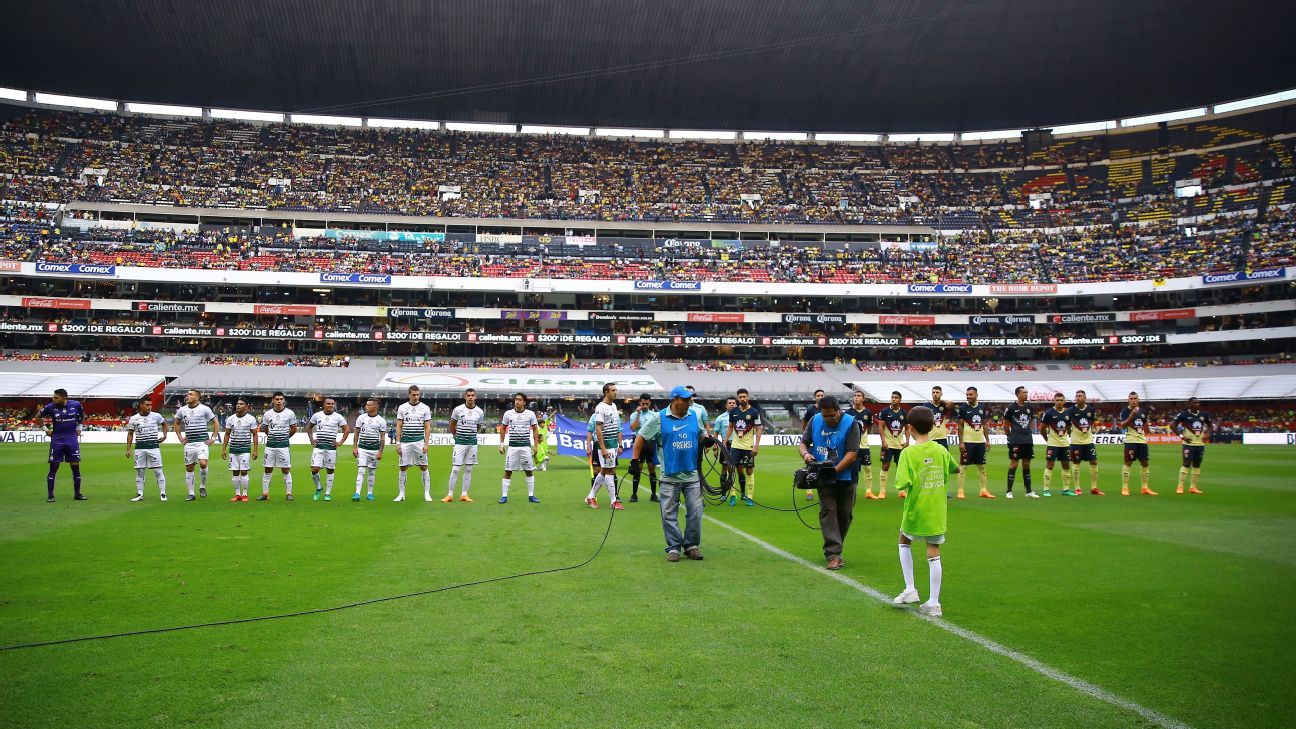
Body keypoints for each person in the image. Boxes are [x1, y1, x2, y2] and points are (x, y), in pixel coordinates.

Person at [890, 406, 959, 618]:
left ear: (909, 428)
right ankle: (934, 602)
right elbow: (954, 468)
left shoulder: (908, 453)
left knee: (904, 540)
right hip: (936, 511)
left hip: (915, 509)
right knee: (933, 551)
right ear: (932, 426)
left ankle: (910, 588)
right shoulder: (941, 450)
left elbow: (901, 483)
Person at [630, 386, 712, 562]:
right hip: (669, 476)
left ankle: (691, 545)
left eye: (690, 399)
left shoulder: (694, 415)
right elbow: (640, 437)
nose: (690, 402)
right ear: (674, 400)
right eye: (685, 399)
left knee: (696, 512)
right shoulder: (658, 418)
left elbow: (700, 432)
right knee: (669, 514)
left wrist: (706, 439)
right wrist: (635, 461)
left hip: (691, 474)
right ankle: (674, 547)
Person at [798, 395, 860, 570]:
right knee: (828, 511)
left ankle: (836, 545)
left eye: (831, 416)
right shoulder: (815, 420)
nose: (828, 419)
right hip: (823, 477)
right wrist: (806, 455)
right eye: (825, 416)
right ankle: (833, 554)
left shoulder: (851, 423)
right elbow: (803, 443)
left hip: (847, 476)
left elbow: (852, 454)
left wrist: (834, 471)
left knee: (845, 514)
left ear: (838, 411)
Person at [39, 388, 85, 502]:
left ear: (64, 398)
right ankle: (50, 495)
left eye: (56, 397)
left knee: (75, 468)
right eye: (53, 397)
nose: (53, 399)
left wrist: (79, 428)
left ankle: (77, 494)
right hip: (57, 440)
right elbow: (38, 416)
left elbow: (81, 416)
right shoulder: (50, 407)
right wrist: (45, 429)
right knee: (54, 467)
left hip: (72, 440)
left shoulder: (76, 405)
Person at [586, 383, 625, 510]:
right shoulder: (600, 407)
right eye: (613, 390)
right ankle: (614, 501)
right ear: (606, 392)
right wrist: (602, 447)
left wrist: (619, 444)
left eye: (616, 390)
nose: (615, 392)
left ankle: (591, 496)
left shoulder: (613, 405)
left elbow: (616, 426)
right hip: (606, 443)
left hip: (613, 443)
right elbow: (598, 428)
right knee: (611, 470)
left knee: (604, 470)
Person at [174, 389, 218, 501]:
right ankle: (191, 493)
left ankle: (202, 486)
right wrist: (180, 438)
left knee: (203, 464)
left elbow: (215, 422)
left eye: (190, 394)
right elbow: (177, 423)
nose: (187, 396)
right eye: (187, 394)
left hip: (202, 442)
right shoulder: (182, 410)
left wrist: (213, 438)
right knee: (189, 467)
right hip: (189, 443)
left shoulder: (204, 409)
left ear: (197, 397)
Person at [498, 392, 540, 504]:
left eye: (520, 399)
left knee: (529, 471)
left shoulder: (530, 414)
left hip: (525, 447)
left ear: (524, 402)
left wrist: (535, 446)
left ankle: (531, 495)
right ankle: (504, 496)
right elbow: (503, 428)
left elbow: (535, 429)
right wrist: (501, 445)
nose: (517, 401)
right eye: (516, 399)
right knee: (508, 471)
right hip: (512, 447)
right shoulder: (508, 414)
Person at [724, 388, 763, 507]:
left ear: (748, 397)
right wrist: (725, 441)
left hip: (748, 447)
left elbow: (758, 428)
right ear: (738, 398)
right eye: (740, 397)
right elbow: (730, 427)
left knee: (749, 470)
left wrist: (756, 445)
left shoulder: (754, 412)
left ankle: (750, 497)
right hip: (735, 446)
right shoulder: (734, 412)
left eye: (744, 396)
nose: (742, 399)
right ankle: (733, 495)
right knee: (731, 469)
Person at [445, 388, 485, 502]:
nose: (471, 397)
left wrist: (471, 434)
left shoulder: (480, 412)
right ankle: (450, 494)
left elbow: (478, 426)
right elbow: (452, 424)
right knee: (456, 469)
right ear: (465, 397)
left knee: (468, 469)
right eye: (468, 395)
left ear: (475, 397)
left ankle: (464, 494)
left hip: (472, 443)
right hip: (460, 443)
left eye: (472, 395)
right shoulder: (458, 410)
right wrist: (455, 435)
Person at [126, 396, 168, 502]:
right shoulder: (133, 419)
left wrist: (165, 435)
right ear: (141, 405)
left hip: (153, 446)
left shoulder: (156, 416)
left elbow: (164, 424)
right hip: (140, 447)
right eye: (147, 405)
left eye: (150, 405)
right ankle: (140, 494)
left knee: (158, 470)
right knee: (140, 471)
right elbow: (130, 434)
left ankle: (163, 494)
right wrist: (128, 449)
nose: (149, 407)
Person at [394, 385, 432, 502]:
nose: (416, 397)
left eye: (417, 395)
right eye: (413, 395)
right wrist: (398, 442)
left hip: (419, 441)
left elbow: (427, 427)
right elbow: (399, 426)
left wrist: (426, 443)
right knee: (403, 467)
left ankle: (426, 493)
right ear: (409, 394)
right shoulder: (402, 407)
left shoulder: (425, 408)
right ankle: (401, 494)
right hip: (405, 442)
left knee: (424, 466)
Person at [308, 397, 350, 501]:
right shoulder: (317, 415)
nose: (331, 405)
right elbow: (309, 427)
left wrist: (340, 442)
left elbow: (347, 429)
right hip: (318, 447)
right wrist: (312, 440)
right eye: (328, 404)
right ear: (324, 404)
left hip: (331, 448)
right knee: (314, 469)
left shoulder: (338, 417)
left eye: (332, 404)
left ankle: (327, 493)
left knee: (330, 470)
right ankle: (318, 488)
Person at [259, 392, 297, 501]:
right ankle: (265, 494)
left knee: (285, 469)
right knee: (267, 469)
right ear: (273, 400)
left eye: (281, 399)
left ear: (284, 400)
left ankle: (289, 493)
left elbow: (293, 428)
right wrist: (272, 437)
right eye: (277, 399)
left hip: (283, 446)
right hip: (270, 445)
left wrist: (284, 438)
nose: (279, 401)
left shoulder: (290, 413)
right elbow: (265, 428)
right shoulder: (267, 414)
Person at [957, 386, 994, 499]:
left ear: (976, 395)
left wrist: (987, 440)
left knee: (982, 467)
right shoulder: (963, 408)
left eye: (971, 395)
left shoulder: (982, 407)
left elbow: (984, 425)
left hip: (980, 442)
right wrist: (961, 442)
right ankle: (960, 491)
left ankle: (983, 490)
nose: (968, 397)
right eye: (967, 395)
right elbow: (960, 426)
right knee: (963, 467)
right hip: (968, 442)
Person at [1065, 390, 1104, 495]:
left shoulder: (1091, 409)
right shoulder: (1071, 410)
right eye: (1076, 396)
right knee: (1076, 463)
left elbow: (1091, 421)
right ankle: (1077, 488)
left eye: (1080, 396)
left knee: (1094, 462)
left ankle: (1094, 488)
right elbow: (1067, 424)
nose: (1078, 398)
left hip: (1088, 442)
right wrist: (1070, 432)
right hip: (1076, 442)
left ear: (1085, 398)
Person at [220, 397, 259, 502]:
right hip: (233, 449)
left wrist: (255, 450)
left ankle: (245, 494)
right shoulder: (230, 419)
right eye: (237, 404)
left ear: (246, 406)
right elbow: (227, 434)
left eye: (241, 404)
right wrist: (224, 449)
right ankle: (237, 494)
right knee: (235, 472)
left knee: (244, 471)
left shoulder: (251, 419)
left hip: (245, 449)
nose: (238, 405)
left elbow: (255, 435)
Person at [1003, 386, 1038, 499]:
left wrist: (1028, 431)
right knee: (1014, 464)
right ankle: (1009, 491)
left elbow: (1032, 420)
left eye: (1026, 392)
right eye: (1024, 393)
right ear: (1018, 394)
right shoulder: (1011, 408)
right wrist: (1010, 437)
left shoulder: (1029, 407)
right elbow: (1006, 425)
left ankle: (1028, 491)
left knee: (1026, 464)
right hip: (1016, 440)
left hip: (1027, 440)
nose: (1026, 394)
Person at [1118, 392, 1156, 496]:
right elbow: (1123, 425)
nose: (1133, 400)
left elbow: (1144, 425)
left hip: (1142, 441)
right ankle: (1125, 488)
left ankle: (1145, 488)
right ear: (1128, 400)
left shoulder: (1143, 411)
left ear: (1138, 400)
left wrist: (1148, 430)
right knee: (1128, 463)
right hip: (1131, 441)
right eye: (1131, 398)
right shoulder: (1124, 411)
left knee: (1145, 463)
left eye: (1135, 398)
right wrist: (1132, 414)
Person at [1172, 397, 1212, 495]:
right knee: (1186, 463)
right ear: (1189, 404)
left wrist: (1208, 434)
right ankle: (1180, 486)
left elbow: (1210, 425)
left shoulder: (1203, 415)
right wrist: (1182, 436)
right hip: (1188, 444)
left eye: (1198, 403)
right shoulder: (1184, 414)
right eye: (1195, 403)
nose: (1198, 404)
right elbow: (1173, 425)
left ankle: (1193, 487)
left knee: (1197, 465)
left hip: (1200, 444)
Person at [352, 398, 387, 501]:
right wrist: (355, 447)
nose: (365, 406)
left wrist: (380, 451)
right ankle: (357, 493)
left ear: (375, 407)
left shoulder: (381, 420)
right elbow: (356, 433)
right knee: (361, 470)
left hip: (374, 449)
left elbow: (382, 437)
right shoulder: (361, 418)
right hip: (362, 448)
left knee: (371, 471)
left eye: (368, 405)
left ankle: (370, 493)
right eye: (366, 404)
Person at [875, 391, 908, 500]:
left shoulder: (904, 412)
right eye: (892, 397)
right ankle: (882, 491)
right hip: (888, 445)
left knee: (901, 468)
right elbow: (880, 426)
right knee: (885, 466)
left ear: (900, 400)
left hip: (900, 445)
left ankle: (902, 491)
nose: (893, 399)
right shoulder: (884, 411)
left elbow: (907, 427)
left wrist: (907, 440)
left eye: (896, 397)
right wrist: (883, 441)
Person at [1040, 392, 1075, 497]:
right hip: (1053, 444)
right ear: (1054, 401)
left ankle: (1066, 489)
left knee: (1066, 465)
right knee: (1050, 465)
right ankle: (1046, 490)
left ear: (1064, 401)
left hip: (1064, 444)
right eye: (1057, 400)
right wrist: (1048, 440)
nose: (1059, 402)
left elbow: (1068, 427)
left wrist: (1068, 435)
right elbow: (1042, 429)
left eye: (1061, 400)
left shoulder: (1068, 413)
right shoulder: (1049, 413)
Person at [629, 394, 661, 502]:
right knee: (637, 468)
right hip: (639, 443)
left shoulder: (655, 415)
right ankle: (634, 494)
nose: (645, 406)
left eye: (647, 404)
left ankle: (653, 494)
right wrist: (638, 414)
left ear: (650, 403)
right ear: (640, 403)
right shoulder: (634, 415)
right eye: (643, 404)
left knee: (652, 468)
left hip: (651, 443)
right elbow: (633, 428)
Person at [846, 390, 875, 501]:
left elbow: (869, 427)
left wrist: (864, 437)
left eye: (859, 396)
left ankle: (869, 492)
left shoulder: (867, 412)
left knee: (867, 468)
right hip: (853, 448)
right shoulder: (848, 413)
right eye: (855, 396)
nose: (856, 398)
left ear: (863, 399)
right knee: (854, 470)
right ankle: (852, 492)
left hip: (864, 446)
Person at [801, 388, 826, 501]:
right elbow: (805, 423)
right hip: (813, 442)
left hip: (825, 441)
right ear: (814, 397)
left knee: (825, 465)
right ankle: (809, 491)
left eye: (822, 395)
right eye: (818, 395)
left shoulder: (828, 409)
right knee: (810, 465)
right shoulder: (811, 410)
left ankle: (824, 488)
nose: (820, 397)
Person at [712, 396, 737, 502]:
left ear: (736, 404)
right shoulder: (721, 418)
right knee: (724, 469)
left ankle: (743, 494)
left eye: (733, 403)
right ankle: (723, 493)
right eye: (730, 403)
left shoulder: (740, 416)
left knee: (738, 470)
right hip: (725, 445)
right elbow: (716, 432)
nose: (732, 404)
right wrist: (715, 447)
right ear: (726, 405)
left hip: (738, 445)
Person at [535, 407, 552, 472]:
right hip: (539, 445)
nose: (539, 418)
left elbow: (549, 418)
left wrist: (553, 412)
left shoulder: (544, 424)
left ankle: (539, 467)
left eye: (540, 417)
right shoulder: (535, 427)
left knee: (543, 458)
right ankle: (542, 467)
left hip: (545, 444)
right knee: (543, 457)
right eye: (538, 417)